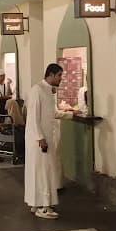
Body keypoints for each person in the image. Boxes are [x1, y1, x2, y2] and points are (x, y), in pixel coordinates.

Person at [24, 64, 73, 220]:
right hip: (39, 141)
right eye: (59, 76)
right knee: (43, 172)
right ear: (51, 75)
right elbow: (32, 117)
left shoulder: (48, 91)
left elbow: (52, 113)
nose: (61, 79)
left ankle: (36, 203)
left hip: (45, 139)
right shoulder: (37, 90)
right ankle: (44, 207)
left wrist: (72, 114)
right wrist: (40, 138)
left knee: (42, 172)